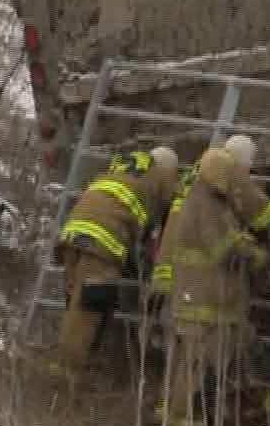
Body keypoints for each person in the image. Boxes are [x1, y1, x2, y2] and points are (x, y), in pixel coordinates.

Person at [155, 134, 270, 426]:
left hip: (196, 293)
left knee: (190, 357)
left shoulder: (203, 191)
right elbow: (224, 245)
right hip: (203, 295)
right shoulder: (209, 199)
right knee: (196, 360)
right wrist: (257, 255)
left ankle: (171, 416)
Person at [53, 145, 179, 377]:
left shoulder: (123, 167)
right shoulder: (162, 175)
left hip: (73, 233)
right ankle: (65, 377)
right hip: (103, 241)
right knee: (87, 310)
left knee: (74, 304)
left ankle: (60, 367)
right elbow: (167, 216)